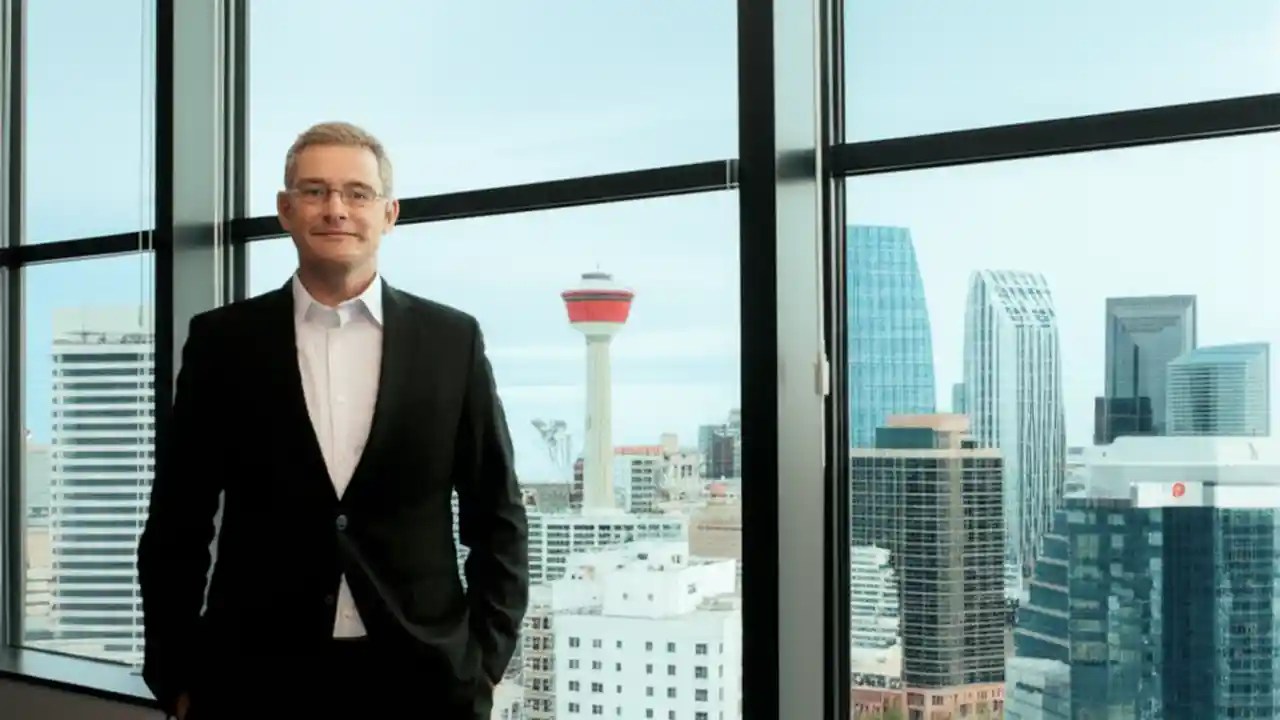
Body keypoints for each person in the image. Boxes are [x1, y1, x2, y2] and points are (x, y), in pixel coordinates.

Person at [136, 121, 529, 719]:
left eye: (357, 193)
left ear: (389, 212)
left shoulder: (452, 341)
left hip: (421, 682)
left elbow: (497, 515)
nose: (335, 209)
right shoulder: (222, 342)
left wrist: (484, 663)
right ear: (285, 210)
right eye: (314, 191)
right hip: (252, 678)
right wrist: (175, 673)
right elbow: (176, 522)